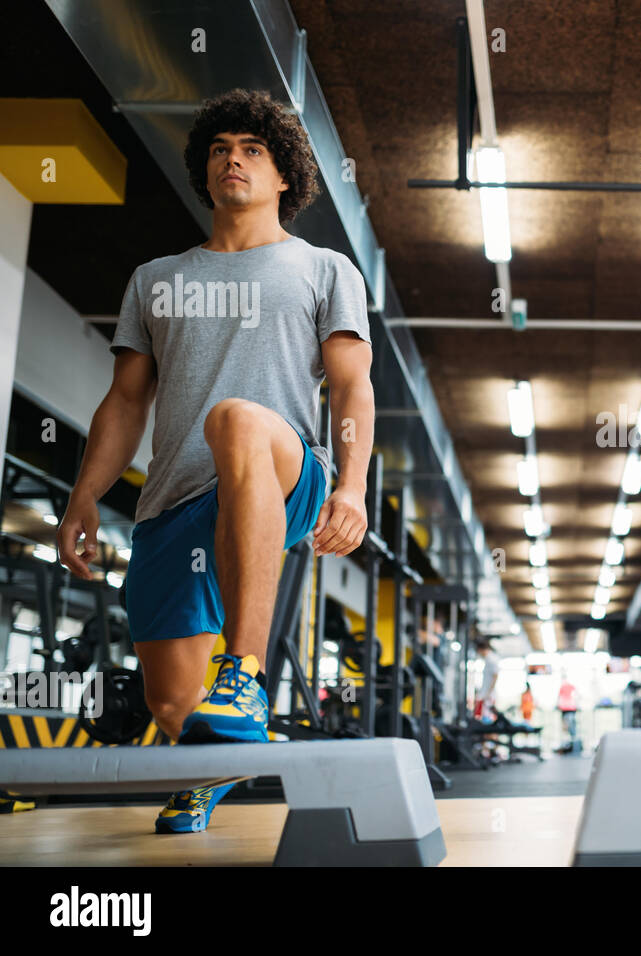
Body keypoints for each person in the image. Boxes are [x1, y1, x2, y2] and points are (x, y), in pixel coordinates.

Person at [56, 89, 375, 832]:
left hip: (284, 470)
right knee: (171, 704)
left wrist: (353, 487)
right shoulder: (157, 278)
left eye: (253, 150)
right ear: (205, 172)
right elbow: (126, 402)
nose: (233, 159)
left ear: (284, 176)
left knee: (232, 420)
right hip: (175, 502)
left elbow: (355, 389)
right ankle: (210, 764)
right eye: (220, 149)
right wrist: (82, 496)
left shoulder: (324, 270)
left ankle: (247, 676)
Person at [556, 675, 579, 752]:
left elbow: (560, 698)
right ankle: (570, 746)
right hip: (568, 709)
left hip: (568, 709)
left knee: (569, 728)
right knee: (568, 728)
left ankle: (573, 747)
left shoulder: (567, 687)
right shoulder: (567, 687)